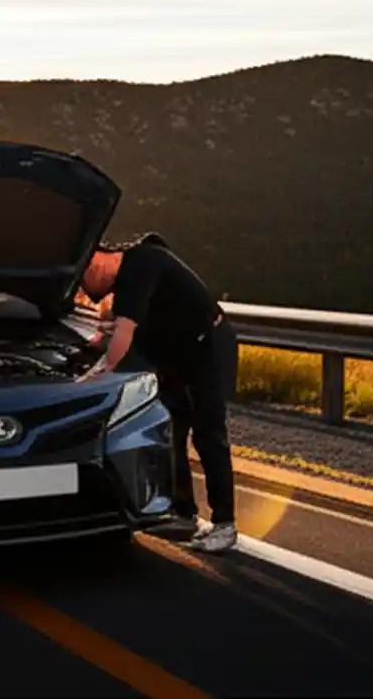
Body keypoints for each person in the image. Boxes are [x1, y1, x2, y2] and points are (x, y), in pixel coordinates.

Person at [79, 232, 240, 552]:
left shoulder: (141, 264)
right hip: (174, 354)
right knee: (171, 427)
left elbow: (123, 336)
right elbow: (115, 331)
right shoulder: (125, 283)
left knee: (208, 433)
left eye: (86, 286)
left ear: (95, 261)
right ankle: (183, 513)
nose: (92, 296)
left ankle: (225, 524)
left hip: (207, 344)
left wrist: (95, 376)